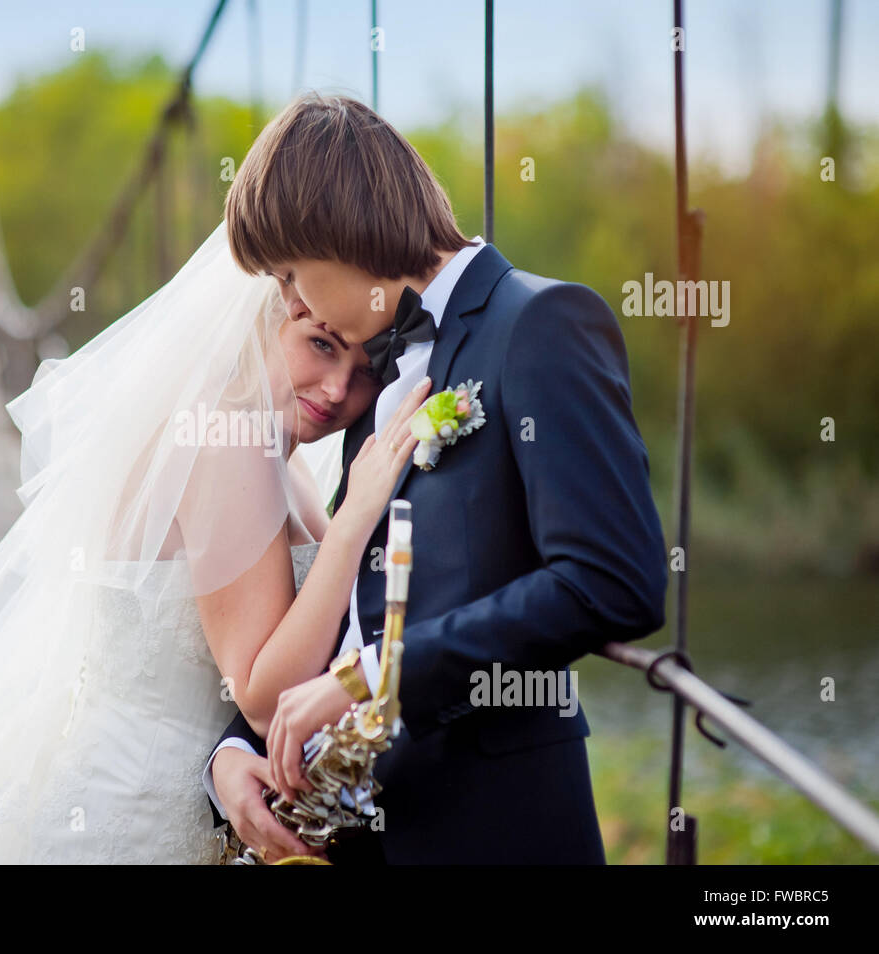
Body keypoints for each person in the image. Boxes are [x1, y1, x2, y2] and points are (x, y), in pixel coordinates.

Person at [0, 220, 424, 863]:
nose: (337, 390)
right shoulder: (227, 444)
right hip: (129, 815)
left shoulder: (275, 456)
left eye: (366, 368)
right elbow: (265, 699)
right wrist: (355, 518)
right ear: (265, 314)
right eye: (321, 345)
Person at [206, 92, 669, 864]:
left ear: (338, 234)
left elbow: (612, 577)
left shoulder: (542, 324)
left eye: (291, 274)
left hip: (489, 833)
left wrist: (372, 680)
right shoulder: (375, 376)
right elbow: (347, 608)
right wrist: (226, 757)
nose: (289, 302)